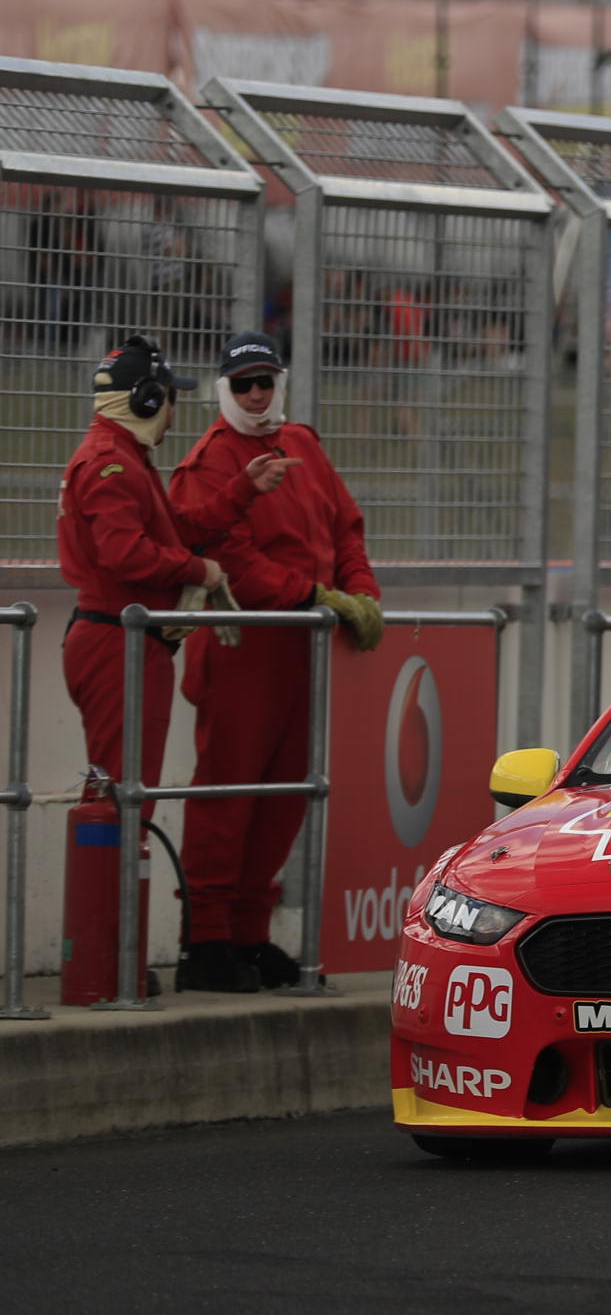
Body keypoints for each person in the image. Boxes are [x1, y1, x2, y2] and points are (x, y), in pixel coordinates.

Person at [55, 337, 291, 992]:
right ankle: (107, 966)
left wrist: (241, 491)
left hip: (124, 643)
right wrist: (202, 571)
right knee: (122, 798)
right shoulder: (109, 464)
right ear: (144, 398)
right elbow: (127, 555)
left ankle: (113, 959)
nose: (173, 413)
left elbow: (174, 526)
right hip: (117, 644)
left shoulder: (124, 460)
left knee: (126, 796)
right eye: (166, 398)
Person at [169, 332, 380, 993]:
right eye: (242, 384)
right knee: (228, 794)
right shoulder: (210, 462)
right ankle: (206, 942)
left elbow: (346, 526)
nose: (255, 393)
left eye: (264, 380)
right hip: (246, 645)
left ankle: (249, 934)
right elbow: (232, 557)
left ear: (279, 382)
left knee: (285, 795)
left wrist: (361, 592)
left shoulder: (305, 446)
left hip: (303, 643)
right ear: (223, 389)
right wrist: (321, 597)